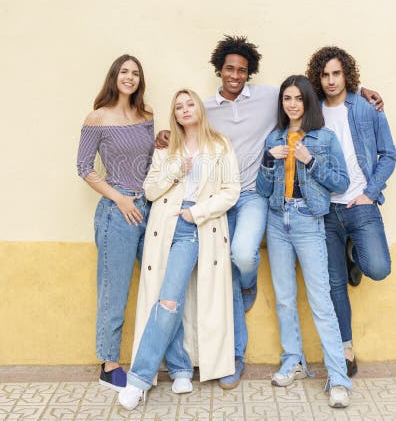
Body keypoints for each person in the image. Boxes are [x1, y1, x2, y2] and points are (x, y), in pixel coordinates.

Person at [155, 35, 384, 389]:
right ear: (219, 70)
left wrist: (359, 91)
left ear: (250, 73)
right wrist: (168, 135)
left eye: (242, 70)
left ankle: (338, 378)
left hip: (289, 213)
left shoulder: (300, 122)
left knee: (275, 273)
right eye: (229, 69)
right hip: (251, 209)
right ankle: (269, 359)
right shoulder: (244, 124)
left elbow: (319, 98)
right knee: (262, 290)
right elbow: (186, 117)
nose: (235, 75)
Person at [118, 89, 241, 410]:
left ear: (199, 108)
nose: (185, 110)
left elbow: (232, 192)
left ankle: (138, 379)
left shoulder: (219, 145)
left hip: (193, 227)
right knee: (167, 297)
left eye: (189, 104)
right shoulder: (167, 147)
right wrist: (176, 170)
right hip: (162, 227)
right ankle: (180, 368)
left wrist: (195, 212)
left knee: (170, 298)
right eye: (178, 107)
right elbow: (149, 189)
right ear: (174, 115)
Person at [256, 75, 352, 408]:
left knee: (321, 301)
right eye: (286, 98)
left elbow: (341, 182)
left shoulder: (324, 138)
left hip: (309, 222)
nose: (292, 103)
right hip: (276, 221)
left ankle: (338, 378)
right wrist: (269, 160)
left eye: (298, 98)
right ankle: (293, 361)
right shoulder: (275, 137)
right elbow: (263, 189)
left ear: (307, 101)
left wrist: (311, 160)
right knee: (284, 297)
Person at [306, 46, 396, 377]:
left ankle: (353, 255)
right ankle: (345, 348)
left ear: (347, 75)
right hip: (325, 210)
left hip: (360, 204)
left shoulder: (365, 107)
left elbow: (388, 154)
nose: (331, 81)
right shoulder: (312, 110)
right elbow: (288, 97)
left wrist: (370, 193)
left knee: (378, 267)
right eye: (325, 75)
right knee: (334, 284)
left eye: (337, 74)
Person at [76, 54, 154, 390]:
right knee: (114, 289)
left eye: (135, 73)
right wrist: (119, 198)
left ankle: (160, 359)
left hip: (148, 209)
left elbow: (150, 160)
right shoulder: (98, 118)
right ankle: (110, 364)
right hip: (116, 212)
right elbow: (84, 168)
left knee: (158, 285)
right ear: (114, 76)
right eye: (124, 72)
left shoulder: (146, 116)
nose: (130, 77)